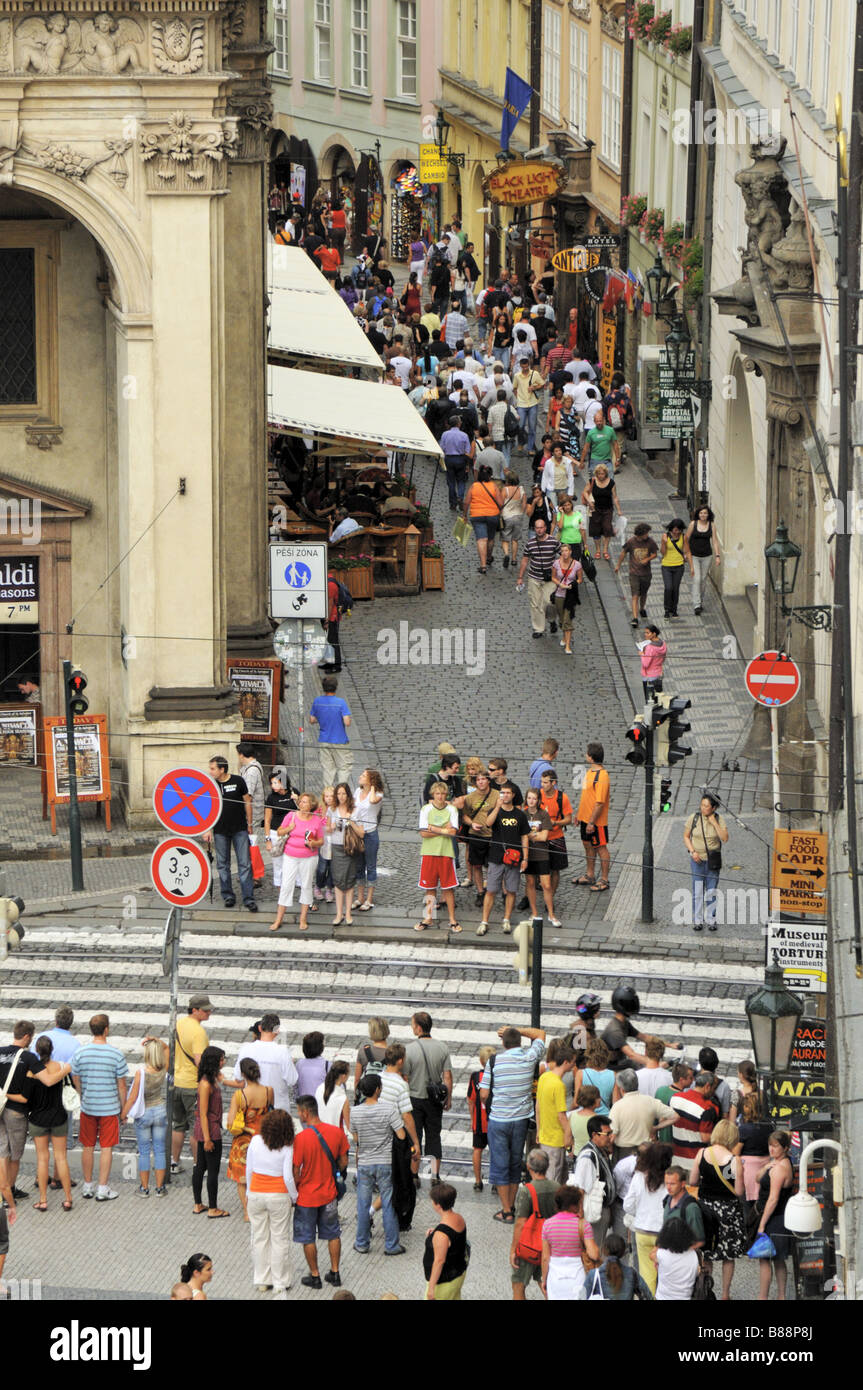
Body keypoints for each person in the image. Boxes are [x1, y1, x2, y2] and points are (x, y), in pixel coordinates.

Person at [480, 1023, 547, 1221]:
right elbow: (541, 1034)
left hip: (498, 1121)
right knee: (515, 1163)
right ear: (520, 1041)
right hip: (520, 1121)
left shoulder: (494, 1061)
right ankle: (512, 1206)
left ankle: (507, 1210)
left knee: (500, 1164)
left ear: (503, 1043)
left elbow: (484, 1094)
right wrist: (517, 1029)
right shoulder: (529, 1057)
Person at [71, 1013, 129, 1202]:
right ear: (106, 1029)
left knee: (87, 1146)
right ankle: (102, 1188)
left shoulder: (81, 1052)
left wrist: (82, 1094)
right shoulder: (116, 1054)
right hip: (110, 1108)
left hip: (88, 1107)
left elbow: (75, 1077)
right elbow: (122, 1085)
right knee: (106, 1147)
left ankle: (87, 1185)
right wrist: (124, 1109)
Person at [292, 1095, 349, 1289]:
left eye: (299, 1111)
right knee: (333, 1233)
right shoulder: (336, 1133)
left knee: (308, 1236)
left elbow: (296, 1170)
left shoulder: (300, 1138)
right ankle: (335, 1273)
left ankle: (315, 1275)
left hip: (307, 1197)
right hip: (329, 1194)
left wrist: (298, 1185)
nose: (299, 1115)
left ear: (305, 1113)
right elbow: (343, 1162)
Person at [350, 1073, 408, 1256]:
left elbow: (356, 1137)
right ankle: (391, 1245)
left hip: (365, 1163)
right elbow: (401, 1135)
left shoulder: (355, 1111)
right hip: (385, 1162)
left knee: (362, 1202)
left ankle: (362, 1243)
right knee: (388, 1202)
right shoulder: (389, 1109)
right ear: (377, 1090)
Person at [691, 1119, 747, 1300]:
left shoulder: (702, 1153)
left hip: (706, 1209)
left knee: (706, 1252)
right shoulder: (733, 1160)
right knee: (728, 1255)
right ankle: (725, 1294)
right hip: (729, 1211)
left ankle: (706, 1290)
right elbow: (739, 1191)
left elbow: (692, 1182)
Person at [245, 1109, 297, 1296]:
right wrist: (294, 1196)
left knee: (259, 1238)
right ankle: (280, 1282)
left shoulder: (256, 1141)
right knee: (279, 1238)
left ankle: (261, 1279)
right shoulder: (287, 1147)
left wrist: (250, 1192)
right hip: (278, 1195)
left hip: (256, 1193)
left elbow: (249, 1170)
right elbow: (288, 1177)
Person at [403, 1012, 453, 1184]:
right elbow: (447, 1077)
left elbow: (405, 1078)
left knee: (414, 1137)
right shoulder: (442, 1048)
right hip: (434, 1100)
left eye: (412, 1024)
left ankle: (414, 1175)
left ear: (418, 1027)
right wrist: (448, 1098)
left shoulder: (409, 1050)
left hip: (414, 1100)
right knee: (434, 1137)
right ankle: (434, 1175)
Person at [26, 1035, 74, 1211]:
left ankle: (43, 1200)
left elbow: (28, 1097)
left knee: (42, 1159)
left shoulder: (32, 1071)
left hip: (38, 1119)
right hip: (59, 1117)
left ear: (37, 1051)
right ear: (51, 1050)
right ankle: (68, 1198)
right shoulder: (61, 1068)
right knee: (61, 1158)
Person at [268, 792, 326, 933]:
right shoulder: (291, 816)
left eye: (305, 802)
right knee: (286, 885)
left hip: (309, 857)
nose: (302, 804)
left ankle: (303, 919)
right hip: (290, 856)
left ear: (311, 805)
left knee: (306, 885)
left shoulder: (316, 820)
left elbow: (321, 841)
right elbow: (280, 832)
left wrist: (313, 843)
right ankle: (278, 919)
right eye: (301, 801)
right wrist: (289, 828)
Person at [477, 783, 529, 937]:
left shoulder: (520, 815)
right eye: (502, 793)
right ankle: (484, 921)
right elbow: (488, 823)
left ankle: (506, 918)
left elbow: (524, 836)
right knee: (491, 890)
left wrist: (526, 858)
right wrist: (498, 808)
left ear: (513, 795)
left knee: (511, 890)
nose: (504, 795)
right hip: (496, 857)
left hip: (514, 858)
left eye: (507, 793)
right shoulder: (495, 811)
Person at [205, 756, 256, 912]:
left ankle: (248, 898)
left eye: (213, 768)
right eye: (210, 768)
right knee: (222, 864)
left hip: (239, 829)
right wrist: (207, 829)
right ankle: (228, 895)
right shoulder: (210, 785)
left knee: (245, 864)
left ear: (222, 769)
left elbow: (247, 801)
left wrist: (249, 823)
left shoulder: (238, 781)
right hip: (220, 831)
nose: (210, 771)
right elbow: (205, 808)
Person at [226, 1057, 273, 1222]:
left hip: (244, 1142)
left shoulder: (239, 1096)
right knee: (262, 1174)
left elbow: (231, 1123)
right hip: (264, 1140)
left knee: (242, 1179)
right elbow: (270, 1114)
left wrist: (247, 1127)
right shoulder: (269, 1091)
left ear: (243, 1075)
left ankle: (247, 1212)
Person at [120, 1037, 168, 1198]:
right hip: (160, 1109)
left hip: (145, 1113)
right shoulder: (163, 1069)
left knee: (145, 1152)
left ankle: (145, 1188)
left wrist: (123, 1114)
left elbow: (132, 1098)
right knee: (160, 1150)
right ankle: (160, 1188)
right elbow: (167, 1049)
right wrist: (156, 1040)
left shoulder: (141, 1073)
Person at [622, 1141, 673, 1294]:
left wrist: (641, 1212)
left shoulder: (639, 1177)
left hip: (642, 1230)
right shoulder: (671, 1180)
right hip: (664, 1233)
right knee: (667, 1275)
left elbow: (627, 1205)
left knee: (647, 1275)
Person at [600, 984, 683, 1073]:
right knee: (639, 1068)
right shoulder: (615, 1031)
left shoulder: (623, 1023)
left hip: (619, 1062)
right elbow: (631, 1054)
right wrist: (654, 1064)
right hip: (608, 1068)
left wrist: (670, 1045)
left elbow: (644, 1037)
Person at [171, 993, 212, 1173]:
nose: (209, 1013)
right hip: (191, 1085)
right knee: (196, 1129)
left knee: (178, 1125)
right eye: (205, 1010)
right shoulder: (199, 1032)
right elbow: (199, 1061)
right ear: (195, 1010)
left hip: (176, 1083)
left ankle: (174, 1162)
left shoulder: (178, 1023)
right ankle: (197, 1165)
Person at [416, 781, 462, 932]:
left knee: (448, 888)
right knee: (429, 888)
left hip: (446, 853)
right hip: (429, 852)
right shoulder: (426, 809)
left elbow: (453, 832)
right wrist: (443, 829)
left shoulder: (452, 809)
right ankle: (428, 917)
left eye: (443, 794)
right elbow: (423, 833)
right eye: (437, 794)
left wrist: (433, 828)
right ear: (433, 795)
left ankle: (452, 919)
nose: (440, 797)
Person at [754, 1129, 794, 1300]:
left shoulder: (780, 1168)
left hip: (773, 1218)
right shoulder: (780, 1163)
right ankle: (781, 1296)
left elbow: (773, 1199)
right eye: (770, 1145)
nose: (771, 1149)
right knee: (778, 1259)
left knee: (765, 1260)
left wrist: (762, 1224)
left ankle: (763, 1297)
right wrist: (766, 1166)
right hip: (779, 1217)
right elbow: (757, 1178)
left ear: (784, 1148)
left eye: (775, 1146)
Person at [540, 1185, 599, 1300]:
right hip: (578, 1274)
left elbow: (545, 1258)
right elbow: (594, 1254)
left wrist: (544, 1279)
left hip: (555, 1275)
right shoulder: (583, 1225)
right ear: (574, 1205)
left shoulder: (547, 1224)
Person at [192, 1046, 229, 1219]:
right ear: (214, 1061)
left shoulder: (210, 1078)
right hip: (210, 1130)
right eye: (221, 1059)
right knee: (212, 1170)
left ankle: (198, 1204)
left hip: (202, 1129)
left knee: (200, 1166)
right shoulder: (206, 1084)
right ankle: (213, 1208)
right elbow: (204, 1113)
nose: (223, 1061)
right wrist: (208, 1139)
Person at [234, 1013, 297, 1114]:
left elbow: (238, 1077)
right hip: (278, 1109)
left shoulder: (246, 1050)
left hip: (252, 1109)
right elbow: (292, 1080)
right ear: (277, 1031)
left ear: (259, 1028)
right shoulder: (283, 1052)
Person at [684, 791, 729, 932]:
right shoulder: (694, 818)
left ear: (714, 808)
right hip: (697, 860)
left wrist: (714, 823)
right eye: (702, 805)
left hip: (712, 861)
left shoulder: (719, 819)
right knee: (697, 891)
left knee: (711, 891)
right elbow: (686, 836)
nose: (703, 808)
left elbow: (725, 838)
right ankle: (697, 920)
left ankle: (711, 919)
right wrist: (692, 851)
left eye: (706, 806)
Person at [608, 1071, 677, 1163]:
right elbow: (675, 1116)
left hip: (624, 1153)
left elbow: (613, 1134)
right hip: (646, 1150)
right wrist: (656, 1128)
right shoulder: (650, 1101)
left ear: (622, 1089)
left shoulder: (617, 1107)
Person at [573, 741, 611, 893]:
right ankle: (590, 875)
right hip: (585, 819)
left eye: (586, 753)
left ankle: (605, 879)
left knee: (601, 848)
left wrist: (591, 822)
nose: (585, 756)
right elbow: (586, 797)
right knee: (587, 846)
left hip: (596, 822)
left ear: (591, 757)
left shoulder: (602, 776)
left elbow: (599, 803)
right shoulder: (589, 772)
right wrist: (579, 815)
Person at [535, 1043, 575, 1182]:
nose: (573, 1066)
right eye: (572, 1063)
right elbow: (562, 1116)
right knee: (554, 1178)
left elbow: (538, 1106)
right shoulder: (559, 1085)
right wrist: (570, 1138)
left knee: (557, 1175)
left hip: (545, 1135)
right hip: (556, 1139)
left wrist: (538, 1131)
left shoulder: (544, 1077)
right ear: (565, 1062)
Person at [516, 515, 560, 640]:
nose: (539, 530)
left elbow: (563, 554)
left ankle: (551, 620)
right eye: (537, 528)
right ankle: (538, 628)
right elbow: (525, 560)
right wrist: (520, 577)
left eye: (541, 528)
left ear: (545, 528)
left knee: (548, 602)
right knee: (535, 604)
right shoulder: (530, 544)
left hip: (550, 578)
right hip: (534, 577)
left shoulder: (553, 541)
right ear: (534, 529)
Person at [424, 1181, 469, 1299]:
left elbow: (439, 1261)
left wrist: (431, 1289)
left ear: (438, 1205)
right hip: (458, 1274)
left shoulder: (441, 1234)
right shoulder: (459, 1218)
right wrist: (435, 1233)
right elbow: (453, 1238)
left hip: (444, 1282)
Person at [309, 675, 353, 787]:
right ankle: (341, 792)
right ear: (336, 687)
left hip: (324, 739)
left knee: (328, 769)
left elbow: (312, 720)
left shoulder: (317, 701)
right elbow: (347, 722)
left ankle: (328, 795)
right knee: (343, 767)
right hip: (340, 739)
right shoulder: (341, 702)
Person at [538, 768, 571, 912]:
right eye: (542, 782)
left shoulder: (562, 798)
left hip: (556, 837)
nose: (542, 785)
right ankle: (542, 895)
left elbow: (568, 819)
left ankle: (550, 896)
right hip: (540, 838)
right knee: (540, 869)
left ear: (553, 783)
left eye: (545, 782)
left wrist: (556, 823)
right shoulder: (537, 795)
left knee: (556, 870)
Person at [522, 786, 556, 923]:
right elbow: (522, 835)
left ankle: (551, 914)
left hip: (542, 853)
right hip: (528, 854)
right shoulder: (522, 815)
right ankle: (534, 912)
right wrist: (535, 834)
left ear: (538, 800)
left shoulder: (543, 814)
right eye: (529, 798)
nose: (531, 801)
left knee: (546, 885)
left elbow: (544, 837)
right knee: (530, 883)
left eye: (534, 798)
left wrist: (529, 835)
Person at [670, 1071, 721, 1162]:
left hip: (676, 1157)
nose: (714, 1092)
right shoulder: (707, 1108)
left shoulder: (675, 1097)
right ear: (707, 1086)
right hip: (695, 1160)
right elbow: (705, 1138)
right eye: (714, 1089)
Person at [615, 522, 658, 628]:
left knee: (643, 593)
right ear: (641, 533)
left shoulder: (650, 542)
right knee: (635, 595)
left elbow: (655, 554)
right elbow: (623, 553)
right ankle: (635, 618)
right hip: (634, 573)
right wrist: (618, 565)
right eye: (646, 533)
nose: (647, 535)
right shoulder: (631, 542)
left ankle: (642, 608)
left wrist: (647, 559)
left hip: (646, 573)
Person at [353, 768, 384, 912]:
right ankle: (360, 897)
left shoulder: (377, 794)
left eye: (364, 775)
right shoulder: (357, 792)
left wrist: (371, 788)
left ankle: (369, 899)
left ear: (371, 780)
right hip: (357, 832)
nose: (360, 777)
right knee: (359, 866)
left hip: (370, 834)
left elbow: (372, 801)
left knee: (370, 866)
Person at [464, 464, 503, 574]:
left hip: (477, 515)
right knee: (490, 539)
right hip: (492, 515)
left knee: (481, 539)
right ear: (490, 476)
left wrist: (464, 514)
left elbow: (466, 502)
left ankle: (483, 565)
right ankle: (489, 556)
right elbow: (500, 503)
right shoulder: (494, 486)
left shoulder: (474, 486)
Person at [735, 1090, 773, 1204]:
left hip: (748, 1171)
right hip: (765, 1166)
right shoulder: (769, 1126)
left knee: (746, 1205)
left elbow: (735, 1152)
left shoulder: (744, 1129)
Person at [592, 1233, 654, 1300]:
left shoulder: (594, 1275)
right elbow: (648, 1296)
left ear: (604, 1250)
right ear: (623, 1252)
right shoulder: (632, 1273)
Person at [264, 769, 297, 894]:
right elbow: (267, 820)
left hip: (293, 832)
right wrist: (267, 839)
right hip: (276, 833)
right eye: (271, 783)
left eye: (275, 782)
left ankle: (292, 886)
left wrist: (297, 799)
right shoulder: (271, 798)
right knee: (278, 864)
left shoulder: (293, 792)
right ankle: (281, 892)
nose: (272, 786)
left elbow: (304, 809)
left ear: (282, 782)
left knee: (293, 862)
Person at [684, 504, 721, 615]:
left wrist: (717, 556)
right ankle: (697, 604)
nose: (703, 515)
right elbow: (686, 538)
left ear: (708, 514)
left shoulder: (712, 525)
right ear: (698, 514)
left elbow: (714, 541)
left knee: (703, 579)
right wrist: (686, 553)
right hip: (694, 555)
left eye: (705, 513)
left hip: (707, 556)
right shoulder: (693, 524)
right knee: (697, 579)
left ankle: (700, 599)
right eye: (701, 513)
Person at [467, 1045, 495, 1190]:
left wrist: (473, 1119)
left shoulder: (476, 1077)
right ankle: (496, 1183)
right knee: (496, 1151)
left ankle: (478, 1181)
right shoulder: (497, 1076)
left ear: (481, 1061)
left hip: (479, 1121)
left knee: (477, 1149)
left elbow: (471, 1100)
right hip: (495, 1121)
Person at [651, 1217, 700, 1299]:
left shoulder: (662, 1254)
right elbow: (696, 1273)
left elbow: (651, 1255)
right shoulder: (693, 1255)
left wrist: (659, 1242)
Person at [661, 1164, 706, 1248]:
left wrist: (680, 1254)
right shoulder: (667, 1200)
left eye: (672, 1184)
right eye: (667, 1183)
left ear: (683, 1184)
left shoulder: (691, 1207)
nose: (668, 1187)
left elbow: (699, 1241)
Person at [513, 357, 546, 451]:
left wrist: (534, 388)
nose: (525, 369)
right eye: (523, 367)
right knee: (521, 426)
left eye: (526, 367)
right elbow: (514, 388)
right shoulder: (517, 376)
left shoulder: (534, 374)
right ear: (520, 366)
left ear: (529, 365)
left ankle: (530, 447)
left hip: (532, 403)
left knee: (532, 427)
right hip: (521, 404)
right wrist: (517, 398)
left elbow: (542, 384)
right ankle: (521, 442)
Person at [580, 407, 620, 479]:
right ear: (594, 421)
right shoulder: (591, 433)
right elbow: (586, 448)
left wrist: (617, 459)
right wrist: (582, 461)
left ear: (603, 420)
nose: (599, 423)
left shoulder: (610, 430)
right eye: (597, 421)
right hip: (595, 460)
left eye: (600, 421)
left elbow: (615, 445)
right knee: (593, 481)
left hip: (607, 460)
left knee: (610, 480)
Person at [236, 742, 266, 838]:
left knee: (251, 842)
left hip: (252, 814)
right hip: (255, 813)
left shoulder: (251, 772)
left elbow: (248, 795)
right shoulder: (255, 765)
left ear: (241, 755)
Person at [354, 1016, 390, 1093]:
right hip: (384, 1095)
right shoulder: (393, 1053)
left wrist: (356, 1096)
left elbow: (357, 1079)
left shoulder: (363, 1051)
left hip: (367, 1096)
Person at [660, 518, 687, 618]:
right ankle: (667, 608)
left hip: (679, 566)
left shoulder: (683, 537)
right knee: (668, 587)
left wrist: (686, 557)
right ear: (671, 528)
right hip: (666, 565)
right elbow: (662, 552)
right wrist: (663, 543)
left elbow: (685, 550)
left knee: (675, 588)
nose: (676, 532)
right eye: (675, 530)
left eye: (679, 530)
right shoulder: (665, 536)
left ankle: (674, 608)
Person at [316, 1060, 351, 1134]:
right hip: (335, 1135)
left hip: (319, 1132)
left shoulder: (319, 1088)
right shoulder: (343, 1098)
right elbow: (349, 1125)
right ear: (343, 1076)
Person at [540, 441, 578, 508]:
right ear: (553, 453)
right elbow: (545, 477)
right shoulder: (548, 463)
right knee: (554, 510)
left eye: (560, 450)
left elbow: (570, 477)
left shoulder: (567, 462)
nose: (559, 452)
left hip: (564, 490)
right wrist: (543, 490)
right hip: (551, 490)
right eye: (556, 451)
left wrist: (570, 492)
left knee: (564, 509)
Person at [638, 624, 667, 700]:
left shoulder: (650, 647)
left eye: (648, 633)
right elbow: (663, 659)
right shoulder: (663, 644)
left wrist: (642, 654)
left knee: (650, 701)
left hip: (649, 677)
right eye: (645, 633)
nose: (645, 635)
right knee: (658, 699)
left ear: (654, 634)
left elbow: (645, 664)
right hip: (658, 674)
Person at [295, 1033, 328, 1099]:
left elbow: (296, 1086)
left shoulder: (299, 1064)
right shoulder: (327, 1065)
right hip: (320, 1104)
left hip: (303, 1102)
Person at [569, 1085, 601, 1153]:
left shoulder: (572, 1116)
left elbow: (567, 1141)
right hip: (594, 1154)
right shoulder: (598, 1119)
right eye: (598, 1097)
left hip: (578, 1153)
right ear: (594, 1100)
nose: (600, 1099)